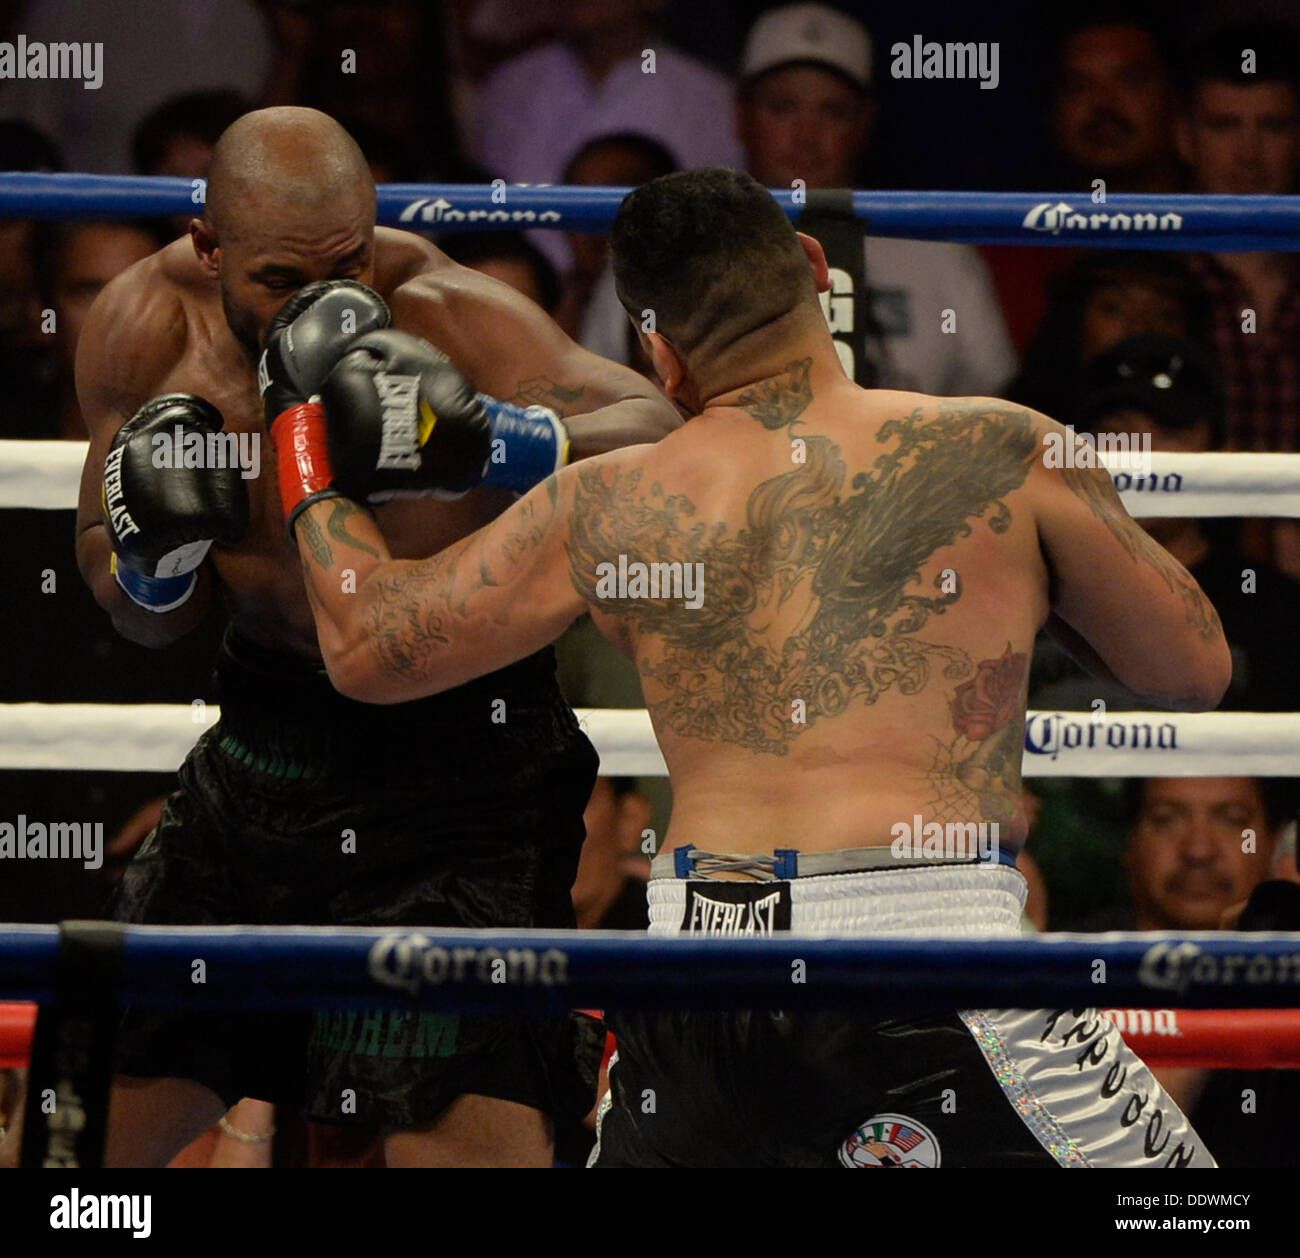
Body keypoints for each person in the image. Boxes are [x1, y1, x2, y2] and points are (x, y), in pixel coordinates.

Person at [279, 167, 1231, 1167]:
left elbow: (367, 646)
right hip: (930, 945)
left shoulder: (609, 501)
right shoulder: (1000, 449)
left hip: (702, 964)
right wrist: (1039, 591)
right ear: (815, 270)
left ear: (659, 350)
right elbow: (1192, 665)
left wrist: (300, 431)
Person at [0, 106, 679, 1171]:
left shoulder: (449, 312)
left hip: (468, 772)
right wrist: (153, 558)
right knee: (71, 1154)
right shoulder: (143, 327)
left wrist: (500, 442)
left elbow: (662, 439)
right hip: (262, 753)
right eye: (279, 278)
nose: (328, 303)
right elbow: (126, 599)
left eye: (350, 260)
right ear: (207, 244)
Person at [734, 4, 1016, 397]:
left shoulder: (933, 247)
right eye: (782, 107)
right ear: (739, 114)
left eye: (832, 111)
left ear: (866, 123)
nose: (806, 134)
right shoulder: (681, 241)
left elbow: (994, 395)